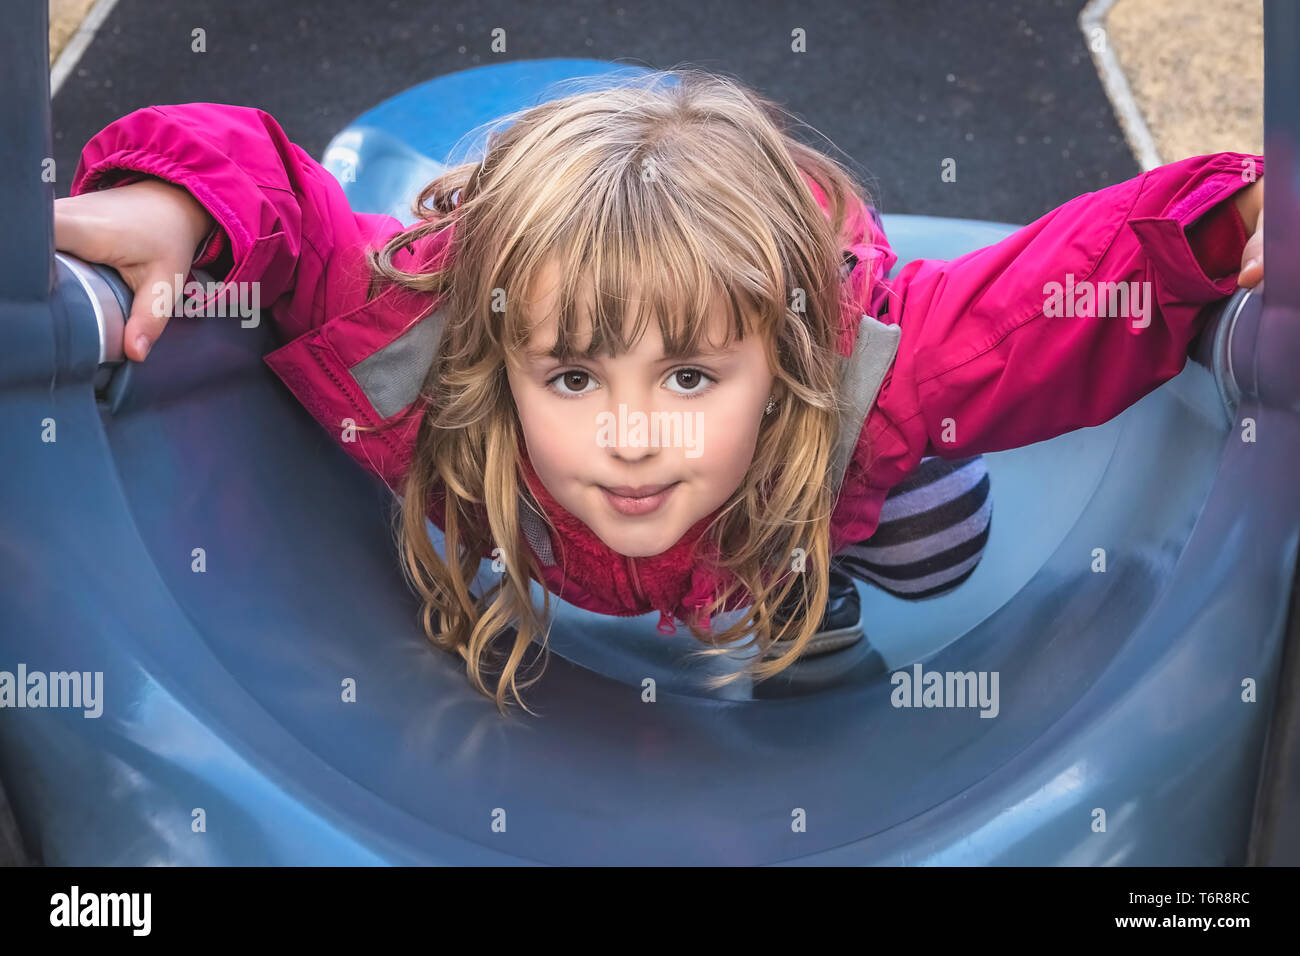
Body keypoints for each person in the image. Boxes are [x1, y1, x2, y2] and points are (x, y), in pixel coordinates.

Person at [53, 69, 1265, 716]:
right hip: (548, 481)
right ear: (501, 348)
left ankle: (818, 570)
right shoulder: (421, 346)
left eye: (689, 375)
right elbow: (275, 188)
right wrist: (174, 203)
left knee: (933, 520)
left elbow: (1069, 282)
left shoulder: (870, 369)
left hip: (808, 483)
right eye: (573, 374)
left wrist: (1239, 218)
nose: (631, 435)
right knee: (505, 476)